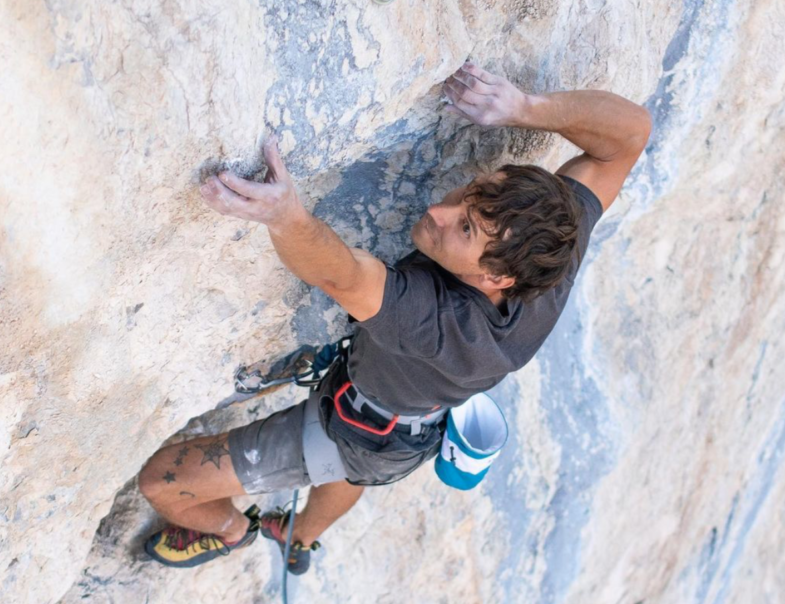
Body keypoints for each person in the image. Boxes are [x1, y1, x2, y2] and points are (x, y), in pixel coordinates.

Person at [139, 62, 651, 572]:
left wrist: (285, 216)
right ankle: (300, 537)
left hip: (361, 430)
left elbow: (343, 276)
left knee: (162, 481)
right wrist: (524, 108)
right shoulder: (547, 244)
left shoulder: (444, 327)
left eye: (466, 228)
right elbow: (631, 134)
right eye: (469, 194)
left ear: (497, 278)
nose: (440, 211)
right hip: (401, 436)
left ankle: (232, 531)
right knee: (347, 470)